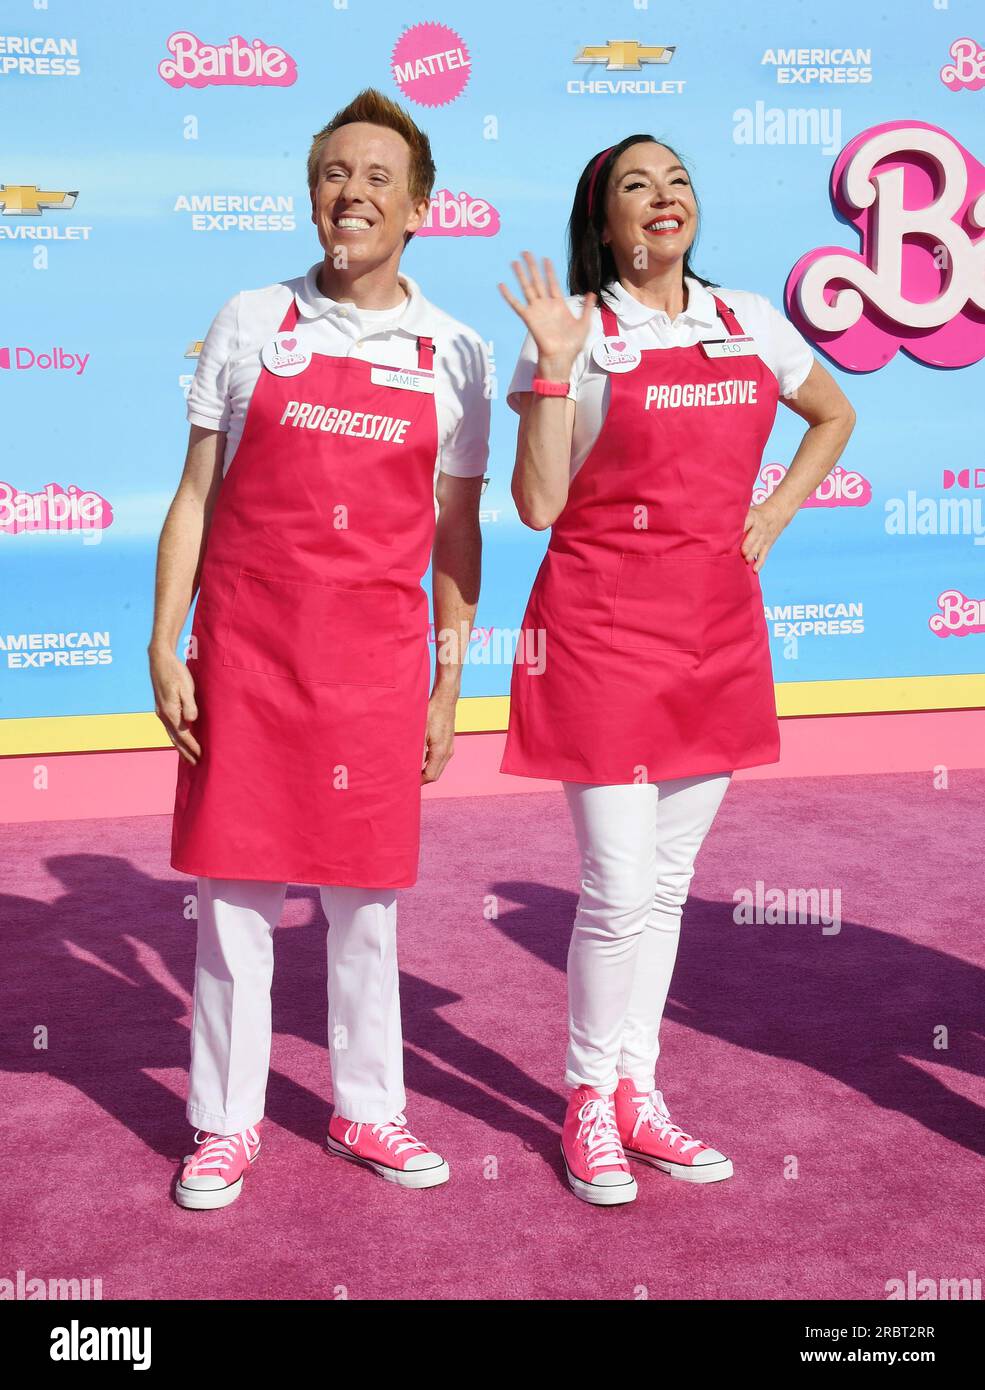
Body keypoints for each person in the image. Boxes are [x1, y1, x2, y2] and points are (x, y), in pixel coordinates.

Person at [499, 134, 856, 1206]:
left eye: (677, 181)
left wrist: (773, 513)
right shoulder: (579, 330)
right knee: (615, 886)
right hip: (599, 634)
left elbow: (835, 414)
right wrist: (555, 366)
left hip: (713, 633)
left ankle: (637, 1097)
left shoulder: (746, 317)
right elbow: (537, 505)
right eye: (634, 187)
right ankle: (583, 1101)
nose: (663, 198)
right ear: (603, 222)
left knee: (664, 888)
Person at [149, 89, 489, 1208]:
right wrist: (165, 639)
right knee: (234, 904)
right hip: (246, 655)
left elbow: (453, 537)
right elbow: (196, 495)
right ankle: (224, 1123)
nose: (351, 194)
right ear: (311, 195)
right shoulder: (250, 319)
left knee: (364, 904)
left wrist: (447, 684)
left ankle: (368, 1108)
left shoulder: (454, 353)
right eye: (334, 174)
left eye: (377, 177)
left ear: (420, 208)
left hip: (375, 670)